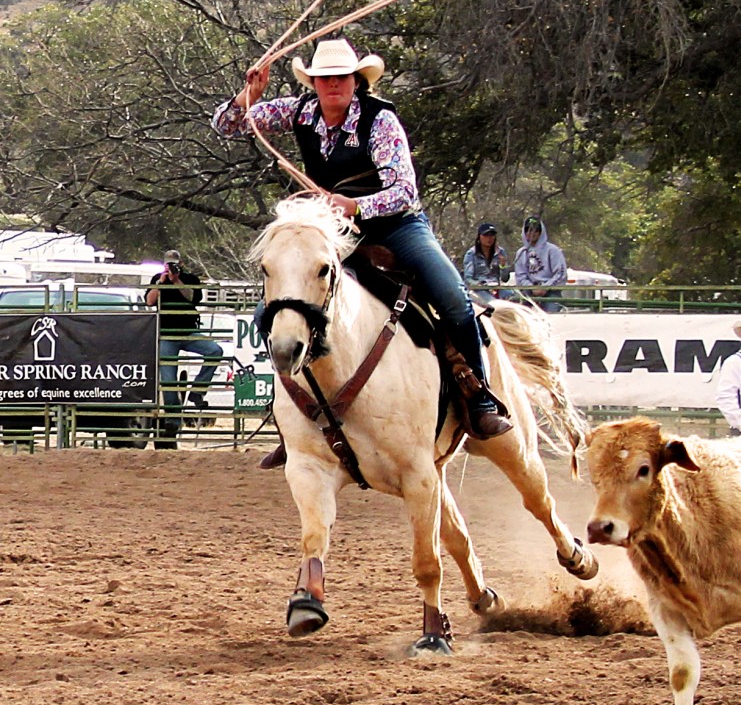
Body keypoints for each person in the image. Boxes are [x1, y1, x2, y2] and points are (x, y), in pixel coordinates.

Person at [211, 38, 512, 445]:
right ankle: (294, 418)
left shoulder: (380, 120)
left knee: (452, 296)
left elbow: (404, 190)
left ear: (356, 81)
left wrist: (354, 205)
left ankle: (479, 399)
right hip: (337, 231)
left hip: (396, 226)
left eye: (340, 77)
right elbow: (227, 126)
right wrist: (250, 94)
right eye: (324, 78)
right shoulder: (300, 111)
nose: (332, 84)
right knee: (283, 302)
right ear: (313, 83)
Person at [145, 248, 224, 448]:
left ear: (181, 263)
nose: (171, 266)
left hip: (188, 331)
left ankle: (197, 391)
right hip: (166, 335)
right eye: (168, 263)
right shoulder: (157, 278)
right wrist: (162, 283)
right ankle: (173, 420)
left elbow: (193, 298)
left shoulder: (190, 279)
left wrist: (177, 280)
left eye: (174, 263)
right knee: (169, 381)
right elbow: (149, 301)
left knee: (214, 351)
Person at [513, 215, 566, 312]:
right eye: (527, 230)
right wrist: (532, 287)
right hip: (528, 291)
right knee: (516, 310)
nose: (531, 233)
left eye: (535, 230)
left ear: (541, 232)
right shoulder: (521, 253)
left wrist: (545, 287)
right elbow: (520, 276)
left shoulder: (553, 250)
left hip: (551, 291)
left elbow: (560, 274)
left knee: (551, 314)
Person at [463, 222, 507, 296]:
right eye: (486, 235)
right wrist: (479, 284)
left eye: (492, 235)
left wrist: (503, 266)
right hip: (479, 290)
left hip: (496, 288)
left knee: (513, 297)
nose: (489, 238)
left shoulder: (500, 252)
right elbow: (468, 279)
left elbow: (505, 279)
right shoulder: (471, 254)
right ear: (479, 237)